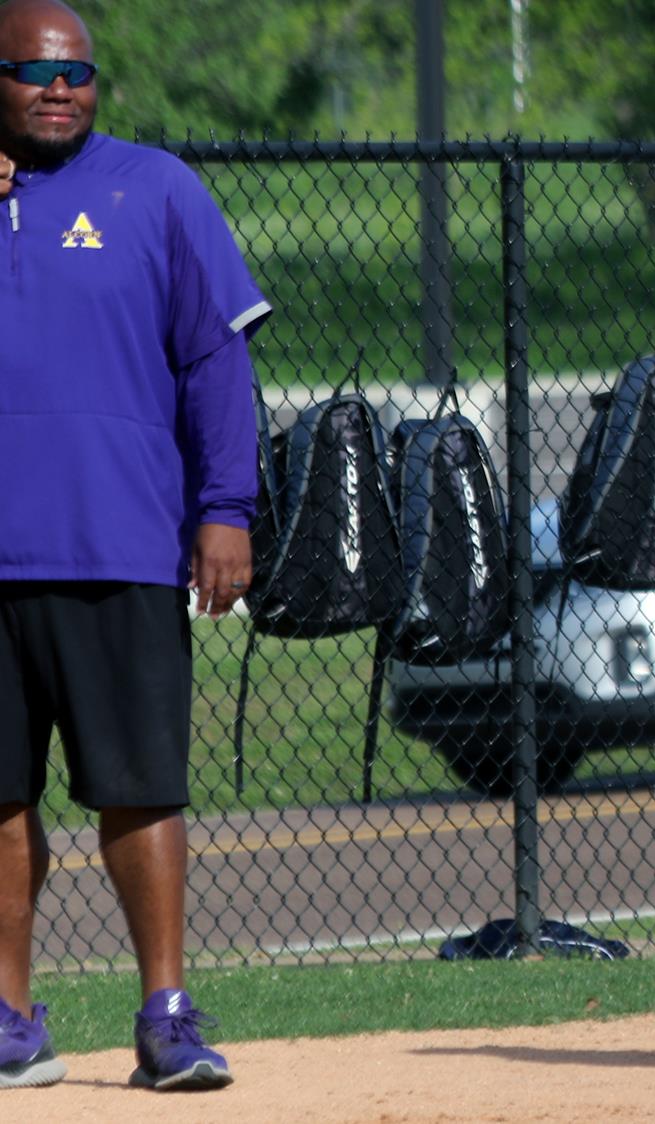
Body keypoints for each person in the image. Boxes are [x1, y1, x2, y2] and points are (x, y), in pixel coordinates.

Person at [0, 0, 265, 1092]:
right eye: (33, 72)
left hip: (118, 541)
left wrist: (226, 509)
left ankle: (165, 1017)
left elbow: (217, 361)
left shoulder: (155, 189)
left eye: (77, 73)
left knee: (140, 787)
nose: (60, 89)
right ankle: (9, 1022)